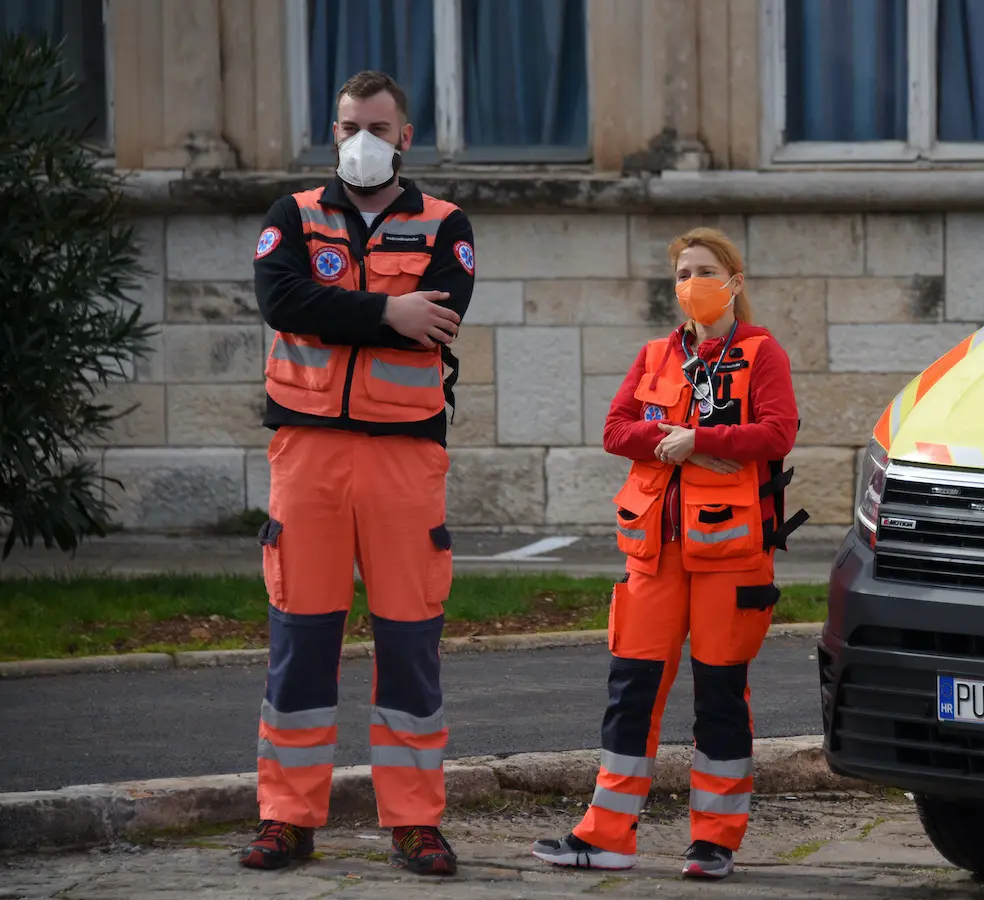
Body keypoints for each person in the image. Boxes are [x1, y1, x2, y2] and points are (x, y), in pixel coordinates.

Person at [238, 70, 474, 877]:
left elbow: (440, 318)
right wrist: (385, 312)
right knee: (300, 641)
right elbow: (282, 302)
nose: (362, 140)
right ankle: (286, 818)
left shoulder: (445, 223)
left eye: (377, 126)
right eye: (349, 127)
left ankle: (415, 821)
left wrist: (345, 314)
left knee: (409, 643)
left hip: (405, 457)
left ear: (406, 136)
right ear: (332, 132)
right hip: (307, 454)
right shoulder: (292, 215)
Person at [531, 228, 808, 879]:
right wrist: (677, 440)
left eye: (705, 271)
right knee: (631, 691)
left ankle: (715, 842)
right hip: (653, 554)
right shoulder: (657, 354)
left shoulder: (762, 352)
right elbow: (614, 430)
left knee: (720, 695)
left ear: (734, 282)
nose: (692, 284)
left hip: (732, 556)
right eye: (683, 273)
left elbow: (778, 432)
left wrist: (701, 439)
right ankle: (606, 836)